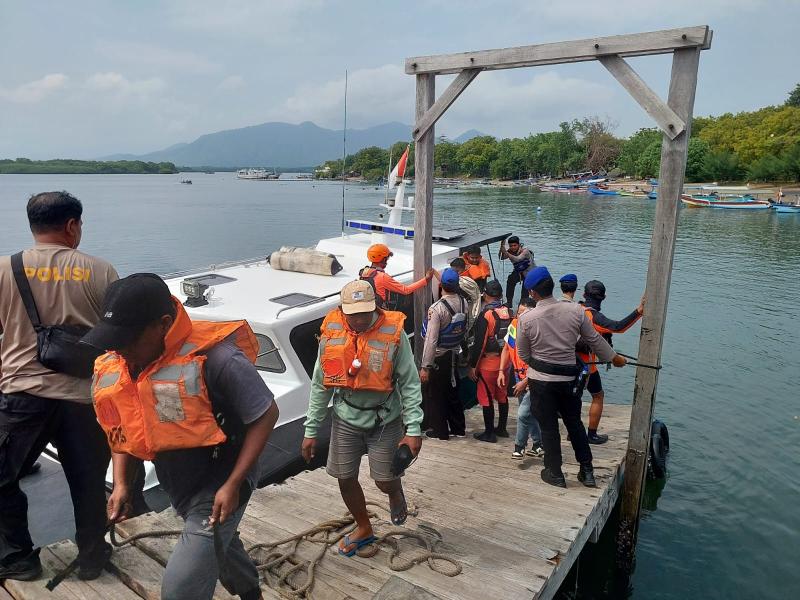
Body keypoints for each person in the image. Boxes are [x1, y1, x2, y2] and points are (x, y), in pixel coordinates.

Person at [90, 274, 279, 600]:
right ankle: (251, 594)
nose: (120, 350)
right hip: (178, 484)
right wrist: (122, 483)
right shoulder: (123, 363)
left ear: (163, 324)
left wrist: (233, 484)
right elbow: (124, 429)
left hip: (221, 479)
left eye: (129, 340)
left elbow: (265, 414)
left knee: (181, 590)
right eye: (113, 340)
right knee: (223, 543)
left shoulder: (218, 359)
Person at [0, 191, 118, 581]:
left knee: (3, 478)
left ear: (32, 225)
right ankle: (92, 559)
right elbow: (117, 337)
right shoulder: (101, 271)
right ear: (71, 226)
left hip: (22, 396)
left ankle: (18, 558)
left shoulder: (5, 269)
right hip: (85, 398)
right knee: (87, 483)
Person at [302, 280, 423, 555]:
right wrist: (311, 429)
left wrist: (413, 428)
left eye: (364, 312)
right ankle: (364, 526)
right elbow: (320, 384)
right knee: (344, 477)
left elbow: (410, 382)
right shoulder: (330, 336)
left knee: (384, 479)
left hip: (384, 420)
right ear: (342, 309)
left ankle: (394, 491)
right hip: (345, 417)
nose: (358, 319)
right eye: (352, 313)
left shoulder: (394, 335)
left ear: (375, 308)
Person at [516, 267, 627, 489]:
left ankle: (554, 473)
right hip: (569, 380)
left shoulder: (526, 318)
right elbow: (595, 340)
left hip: (541, 381)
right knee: (574, 424)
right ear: (552, 286)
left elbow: (523, 354)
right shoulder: (576, 311)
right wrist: (614, 358)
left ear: (532, 293)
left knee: (549, 428)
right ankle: (587, 472)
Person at [578, 280, 644, 444]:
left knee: (573, 399)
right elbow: (618, 327)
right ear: (604, 297)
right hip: (587, 367)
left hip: (567, 363)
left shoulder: (575, 310)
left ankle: (574, 431)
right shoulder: (594, 316)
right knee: (598, 396)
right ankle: (591, 435)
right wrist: (639, 311)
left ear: (583, 295)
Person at [419, 269, 468, 440]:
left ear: (441, 286)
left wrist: (425, 366)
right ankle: (458, 428)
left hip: (439, 357)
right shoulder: (463, 302)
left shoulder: (437, 308)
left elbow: (431, 340)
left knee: (436, 394)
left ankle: (440, 431)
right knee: (453, 392)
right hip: (455, 353)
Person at [497, 297, 543, 459]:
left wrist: (526, 381)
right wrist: (502, 371)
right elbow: (506, 349)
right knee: (529, 413)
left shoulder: (538, 331)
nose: (520, 317)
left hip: (533, 378)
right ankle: (539, 445)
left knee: (523, 413)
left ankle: (519, 447)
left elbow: (542, 360)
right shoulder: (514, 326)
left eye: (524, 314)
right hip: (518, 375)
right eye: (518, 313)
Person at [468, 280, 512, 443]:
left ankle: (489, 433)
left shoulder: (486, 315)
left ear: (485, 295)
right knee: (502, 395)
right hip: (505, 363)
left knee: (486, 398)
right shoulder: (510, 311)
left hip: (488, 363)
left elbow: (480, 344)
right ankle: (502, 428)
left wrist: (473, 366)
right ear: (500, 295)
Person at [359, 243, 435, 309]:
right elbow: (406, 290)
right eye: (387, 258)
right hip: (381, 311)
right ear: (383, 259)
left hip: (370, 307)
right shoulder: (382, 277)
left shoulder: (364, 272)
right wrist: (426, 279)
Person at [499, 236, 535, 307]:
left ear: (519, 244)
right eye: (511, 246)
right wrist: (502, 246)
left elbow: (518, 259)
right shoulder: (510, 251)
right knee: (510, 280)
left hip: (529, 273)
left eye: (515, 245)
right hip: (519, 272)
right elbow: (502, 257)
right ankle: (509, 302)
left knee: (525, 289)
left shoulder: (525, 251)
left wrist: (506, 253)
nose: (513, 247)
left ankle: (523, 304)